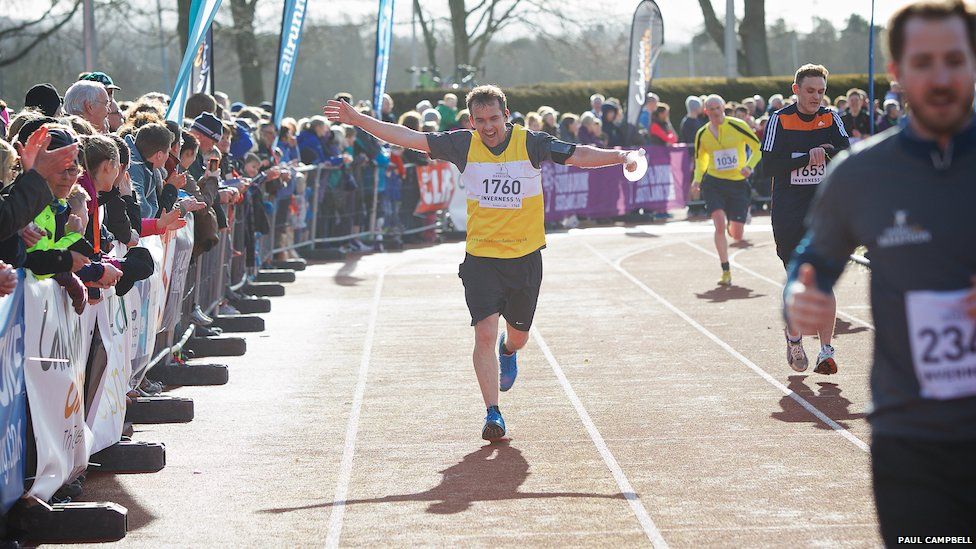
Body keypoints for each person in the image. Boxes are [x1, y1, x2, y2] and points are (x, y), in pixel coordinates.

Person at [324, 84, 644, 441]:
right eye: (480, 120)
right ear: (471, 121)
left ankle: (509, 350)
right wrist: (358, 120)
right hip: (482, 259)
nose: (488, 127)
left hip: (524, 258)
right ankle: (493, 412)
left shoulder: (531, 143)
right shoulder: (463, 145)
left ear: (506, 115)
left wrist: (621, 156)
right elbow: (409, 137)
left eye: (493, 118)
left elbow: (578, 154)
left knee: (517, 337)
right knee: (484, 332)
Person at [783, 1, 976, 544]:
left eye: (955, 60)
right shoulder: (862, 174)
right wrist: (801, 291)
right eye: (923, 62)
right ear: (897, 73)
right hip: (910, 436)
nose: (941, 77)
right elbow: (814, 260)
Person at [763, 64, 851, 374]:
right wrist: (806, 157)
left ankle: (826, 351)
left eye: (821, 91)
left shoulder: (831, 118)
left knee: (822, 280)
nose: (816, 97)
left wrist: (826, 153)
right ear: (796, 90)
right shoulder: (780, 120)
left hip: (823, 211)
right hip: (788, 213)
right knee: (797, 279)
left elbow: (846, 155)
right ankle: (794, 338)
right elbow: (768, 166)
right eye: (810, 90)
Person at [690, 94, 762, 286]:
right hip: (714, 183)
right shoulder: (702, 134)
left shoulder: (738, 125)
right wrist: (697, 180)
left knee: (737, 234)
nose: (715, 112)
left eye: (718, 108)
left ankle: (735, 223)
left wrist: (749, 166)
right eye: (711, 109)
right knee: (719, 224)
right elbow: (701, 160)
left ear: (723, 108)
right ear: (706, 111)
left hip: (738, 184)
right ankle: (725, 270)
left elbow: (758, 148)